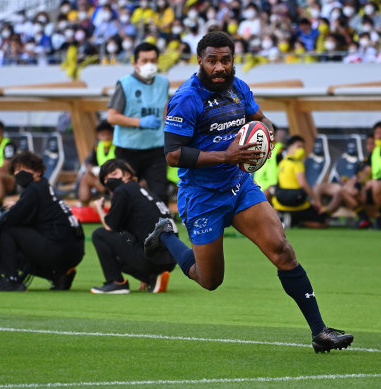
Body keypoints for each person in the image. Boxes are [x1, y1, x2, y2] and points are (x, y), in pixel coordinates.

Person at [145, 31, 353, 353]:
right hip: (202, 197)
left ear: (232, 61)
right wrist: (227, 155)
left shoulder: (239, 89)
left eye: (225, 60)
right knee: (210, 280)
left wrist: (267, 135)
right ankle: (167, 235)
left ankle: (320, 332)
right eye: (212, 60)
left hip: (239, 188)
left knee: (282, 250)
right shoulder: (187, 98)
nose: (219, 67)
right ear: (200, 61)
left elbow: (261, 119)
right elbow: (173, 154)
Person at [0, 151, 85, 292]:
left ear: (37, 172)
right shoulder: (45, 187)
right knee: (15, 251)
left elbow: (13, 219)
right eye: (16, 170)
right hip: (75, 252)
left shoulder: (34, 190)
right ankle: (58, 277)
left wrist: (14, 207)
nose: (19, 173)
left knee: (7, 228)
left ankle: (10, 280)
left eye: (23, 169)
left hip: (58, 250)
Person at [90, 159, 177, 294]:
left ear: (127, 174)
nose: (110, 180)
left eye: (114, 174)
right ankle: (150, 277)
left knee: (100, 235)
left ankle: (115, 282)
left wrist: (99, 209)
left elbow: (109, 226)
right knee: (120, 241)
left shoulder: (123, 190)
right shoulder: (143, 192)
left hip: (152, 258)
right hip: (171, 259)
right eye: (106, 179)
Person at [107, 42, 169, 204]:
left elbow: (164, 112)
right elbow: (112, 117)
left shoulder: (163, 83)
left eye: (153, 60)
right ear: (135, 63)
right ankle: (123, 229)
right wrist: (139, 122)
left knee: (160, 194)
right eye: (144, 60)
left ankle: (163, 228)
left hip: (156, 148)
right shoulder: (125, 84)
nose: (150, 64)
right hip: (128, 149)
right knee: (125, 194)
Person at [272, 135, 328, 228]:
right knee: (323, 222)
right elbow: (303, 184)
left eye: (303, 148)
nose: (301, 150)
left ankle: (289, 218)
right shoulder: (297, 163)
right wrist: (315, 199)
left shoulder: (282, 163)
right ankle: (296, 221)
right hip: (298, 203)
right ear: (290, 147)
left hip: (280, 203)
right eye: (299, 147)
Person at [77, 120, 115, 206]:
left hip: (113, 181)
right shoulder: (97, 148)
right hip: (99, 180)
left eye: (108, 134)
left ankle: (116, 206)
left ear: (113, 135)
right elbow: (90, 164)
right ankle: (84, 204)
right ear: (98, 136)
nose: (106, 137)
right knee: (85, 178)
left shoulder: (118, 148)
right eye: (103, 135)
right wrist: (94, 172)